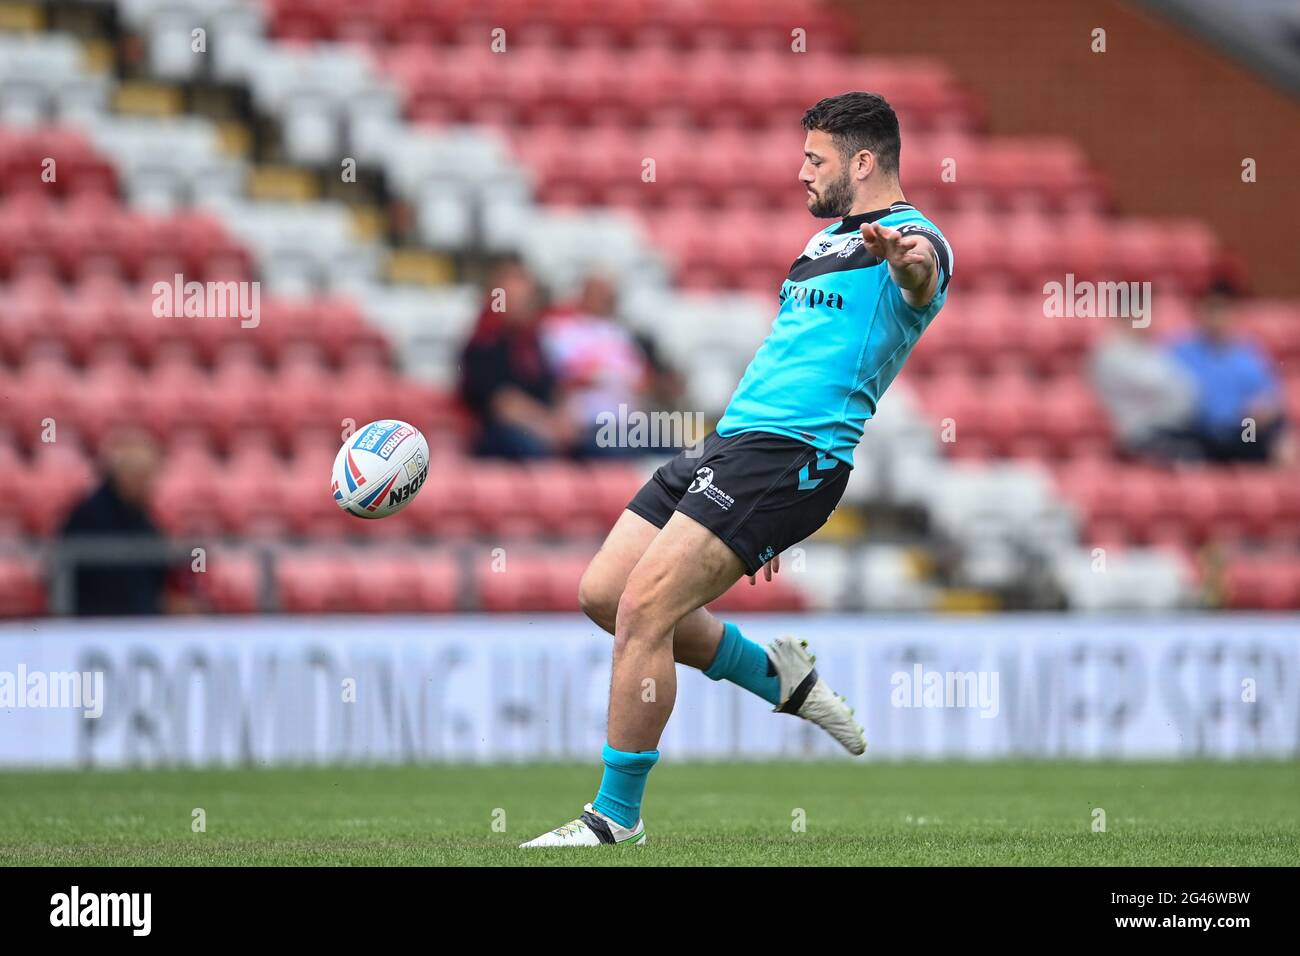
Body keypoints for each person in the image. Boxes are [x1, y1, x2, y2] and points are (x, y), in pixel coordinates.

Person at [521, 92, 953, 847]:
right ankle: (779, 679)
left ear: (863, 161)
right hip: (729, 443)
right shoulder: (822, 244)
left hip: (791, 455)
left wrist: (910, 264)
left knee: (644, 613)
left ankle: (615, 818)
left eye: (814, 159)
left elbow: (921, 278)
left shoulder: (913, 238)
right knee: (603, 593)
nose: (800, 173)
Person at [56, 429, 189, 616]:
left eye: (149, 477)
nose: (148, 485)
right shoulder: (89, 517)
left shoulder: (144, 519)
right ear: (120, 474)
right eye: (140, 476)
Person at [458, 259, 577, 459]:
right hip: (498, 434)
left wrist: (564, 420)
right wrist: (548, 426)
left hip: (539, 427)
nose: (528, 307)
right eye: (519, 300)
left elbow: (555, 390)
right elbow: (502, 404)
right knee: (532, 448)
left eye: (529, 300)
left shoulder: (534, 343)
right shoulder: (483, 344)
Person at [541, 273, 658, 458]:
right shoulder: (561, 330)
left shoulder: (619, 331)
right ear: (584, 293)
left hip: (630, 422)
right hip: (589, 424)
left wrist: (606, 375)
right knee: (621, 454)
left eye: (609, 295)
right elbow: (567, 377)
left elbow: (642, 379)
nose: (606, 300)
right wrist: (612, 376)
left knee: (683, 455)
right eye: (600, 293)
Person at [1166, 295, 1289, 463]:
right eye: (1211, 312)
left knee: (1272, 434)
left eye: (1221, 312)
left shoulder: (1249, 355)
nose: (1216, 319)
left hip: (1241, 431)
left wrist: (1262, 409)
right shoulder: (1181, 352)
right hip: (1198, 431)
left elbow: (1269, 398)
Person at [1089, 314, 1198, 460]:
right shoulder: (1109, 353)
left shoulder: (1153, 349)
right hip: (1134, 434)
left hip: (1170, 427)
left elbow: (1189, 390)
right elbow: (1150, 385)